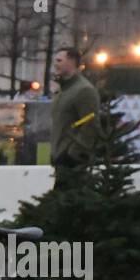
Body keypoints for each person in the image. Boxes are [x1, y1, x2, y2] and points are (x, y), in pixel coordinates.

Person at [49, 47, 99, 190]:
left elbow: (90, 124)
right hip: (60, 159)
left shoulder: (83, 90)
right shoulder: (63, 91)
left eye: (59, 60)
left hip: (72, 163)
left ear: (71, 62)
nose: (55, 64)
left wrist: (73, 155)